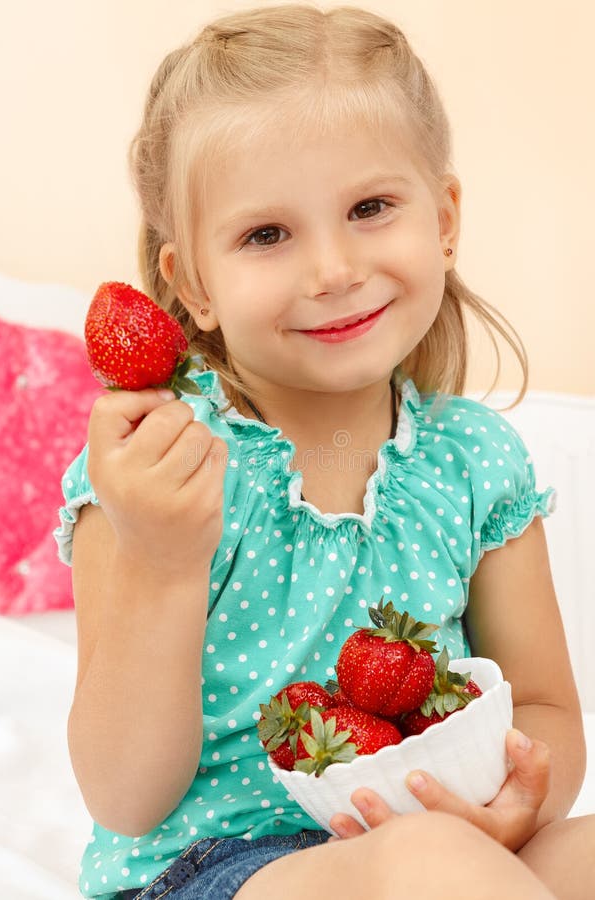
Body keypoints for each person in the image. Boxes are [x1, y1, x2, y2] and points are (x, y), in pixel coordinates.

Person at [55, 5, 595, 899]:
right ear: (191, 282)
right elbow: (125, 796)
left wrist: (519, 809)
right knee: (434, 866)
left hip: (436, 834)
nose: (334, 268)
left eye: (371, 208)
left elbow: (546, 712)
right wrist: (164, 559)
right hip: (211, 868)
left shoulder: (474, 462)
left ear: (446, 218)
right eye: (267, 235)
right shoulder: (167, 467)